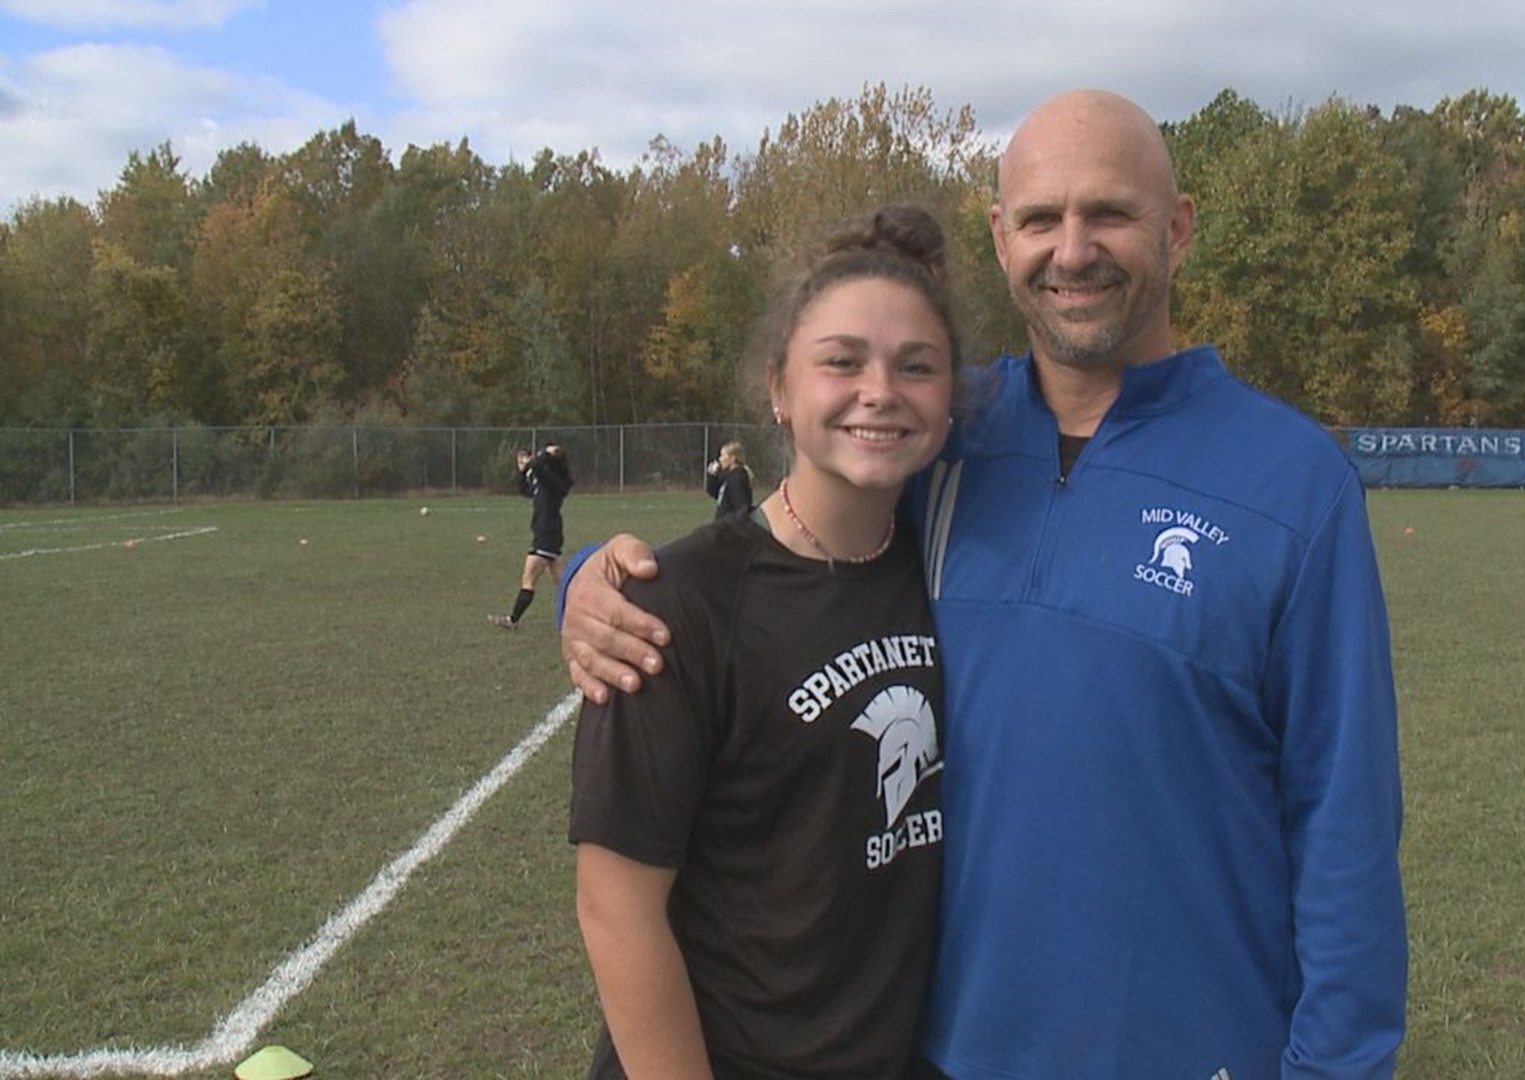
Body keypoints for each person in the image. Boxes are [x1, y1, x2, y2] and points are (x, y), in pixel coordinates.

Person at [561, 90, 1407, 1079]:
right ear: (1002, 239)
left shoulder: (1294, 484)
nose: (1074, 249)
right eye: (1043, 218)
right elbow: (795, 544)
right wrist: (593, 581)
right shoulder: (946, 439)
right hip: (935, 1053)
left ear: (1176, 231)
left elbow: (1344, 823)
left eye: (1112, 214)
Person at [570, 204, 960, 1078]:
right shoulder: (678, 604)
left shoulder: (951, 567)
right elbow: (617, 910)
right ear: (779, 390)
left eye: (917, 366)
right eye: (841, 362)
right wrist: (578, 581)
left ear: (952, 396)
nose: (880, 390)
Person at [489, 442, 573, 629]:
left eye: (549, 453)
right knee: (563, 583)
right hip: (544, 535)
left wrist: (538, 457)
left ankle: (513, 620)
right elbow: (524, 490)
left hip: (547, 536)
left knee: (528, 579)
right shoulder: (543, 481)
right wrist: (522, 470)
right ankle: (586, 613)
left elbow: (537, 466)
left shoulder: (554, 481)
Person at [702, 441, 754, 519]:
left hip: (728, 527)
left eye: (722, 455)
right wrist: (712, 475)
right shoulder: (729, 477)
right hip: (723, 525)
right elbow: (716, 492)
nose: (720, 459)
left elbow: (741, 508)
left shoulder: (737, 479)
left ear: (732, 458)